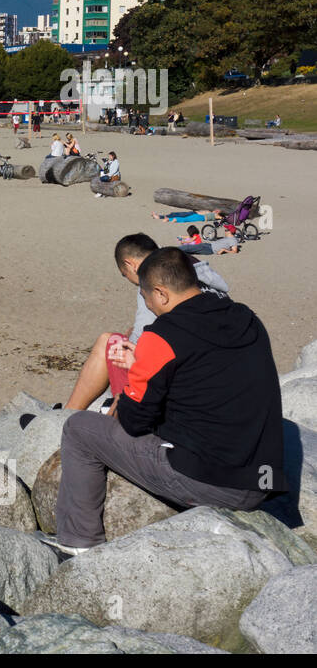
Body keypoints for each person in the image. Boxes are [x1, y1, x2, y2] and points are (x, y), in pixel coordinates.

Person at [52, 247, 285, 553]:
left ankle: (79, 542)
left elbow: (134, 422)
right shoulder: (246, 318)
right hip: (262, 480)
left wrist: (138, 371)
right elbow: (211, 378)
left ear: (161, 293)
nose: (148, 305)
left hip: (212, 481)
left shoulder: (163, 335)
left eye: (145, 297)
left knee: (79, 429)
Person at [62, 233, 230, 412]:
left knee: (110, 342)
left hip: (182, 378)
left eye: (124, 275)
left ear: (130, 264)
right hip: (218, 367)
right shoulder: (189, 268)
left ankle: (69, 413)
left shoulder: (152, 282)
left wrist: (129, 342)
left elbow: (144, 339)